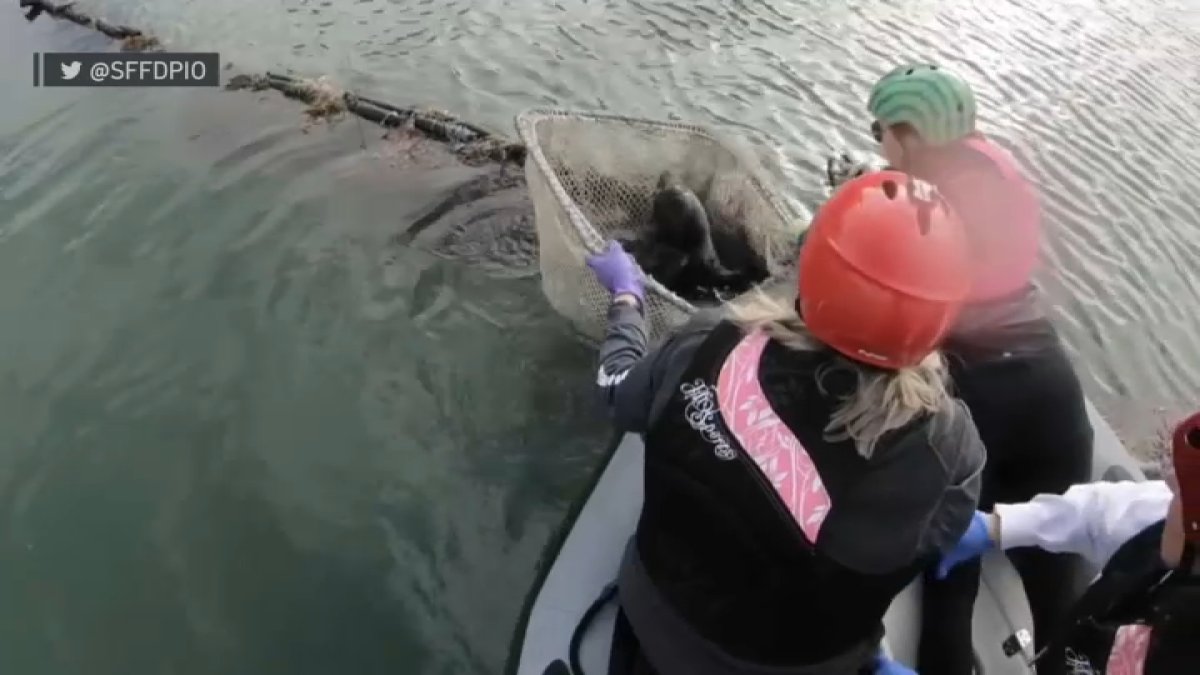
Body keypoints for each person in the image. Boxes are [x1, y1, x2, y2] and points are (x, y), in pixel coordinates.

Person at [586, 170, 985, 675]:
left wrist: (628, 299)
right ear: (940, 317)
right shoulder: (947, 447)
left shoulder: (707, 340)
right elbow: (931, 543)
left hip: (653, 628)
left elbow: (617, 391)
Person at [862, 63, 1097, 675]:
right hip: (1050, 386)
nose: (877, 141)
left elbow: (885, 307)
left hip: (980, 399)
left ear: (910, 135)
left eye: (879, 129)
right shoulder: (993, 165)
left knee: (951, 571)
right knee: (1058, 579)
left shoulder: (923, 203)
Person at [936, 410, 1200, 673]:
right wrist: (999, 526)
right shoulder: (1163, 524)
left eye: (1178, 495)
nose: (1169, 501)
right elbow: (1097, 514)